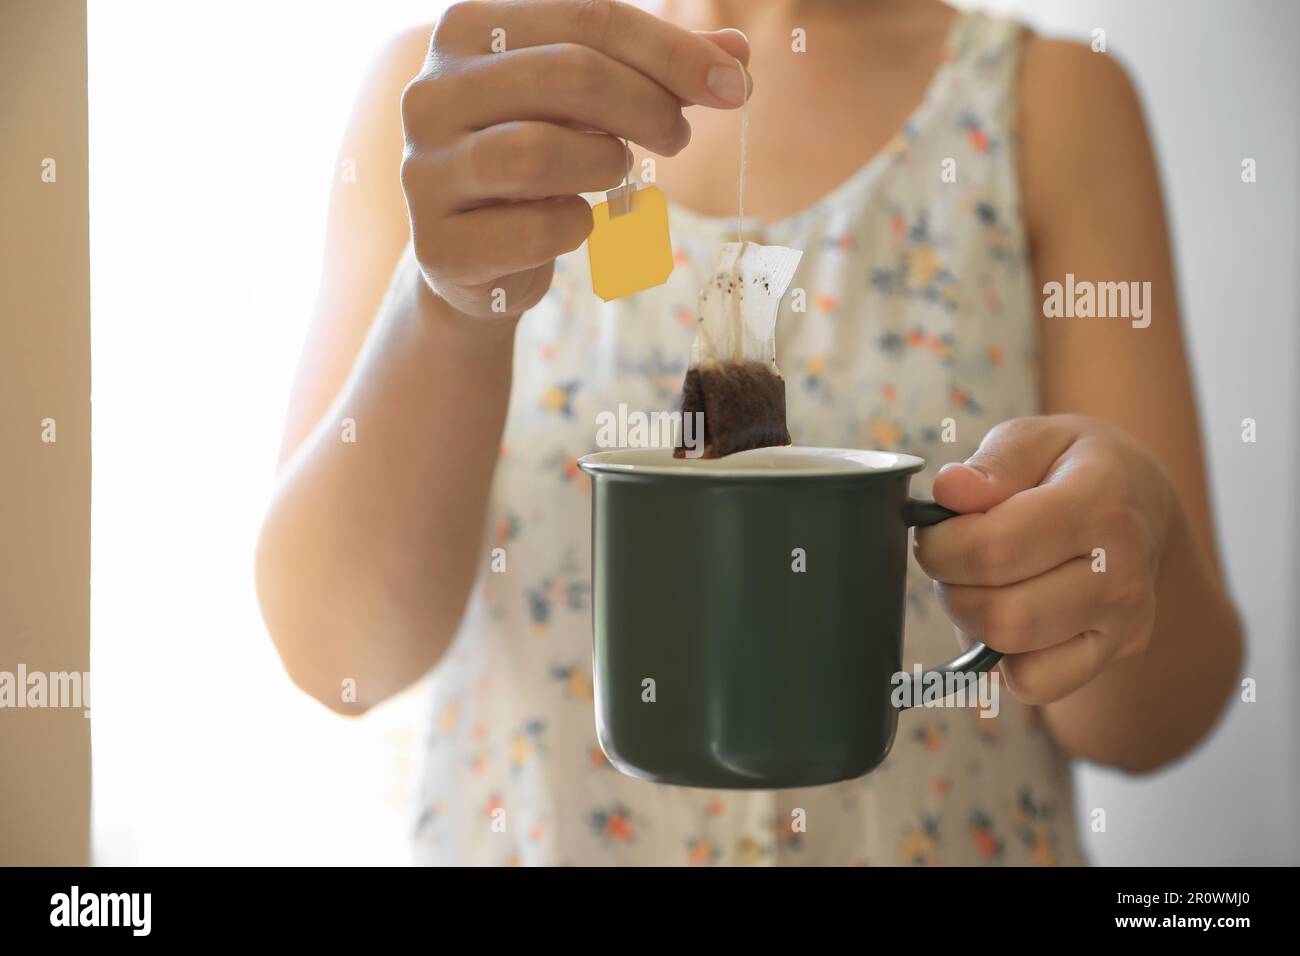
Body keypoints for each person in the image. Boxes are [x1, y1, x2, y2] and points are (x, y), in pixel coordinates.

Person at [254, 0, 1243, 865]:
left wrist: (1129, 543)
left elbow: (1153, 720)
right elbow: (338, 653)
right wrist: (447, 308)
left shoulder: (1044, 103)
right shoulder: (465, 100)